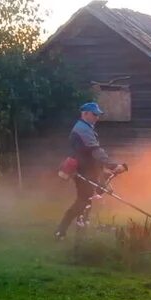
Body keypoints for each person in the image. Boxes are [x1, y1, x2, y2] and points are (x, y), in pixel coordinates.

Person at [55, 102, 125, 239]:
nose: (97, 117)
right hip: (83, 170)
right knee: (82, 201)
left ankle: (82, 226)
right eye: (94, 114)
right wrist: (112, 165)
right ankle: (61, 230)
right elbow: (96, 151)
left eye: (98, 115)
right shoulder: (82, 129)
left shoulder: (87, 127)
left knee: (87, 200)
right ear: (85, 113)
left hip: (88, 169)